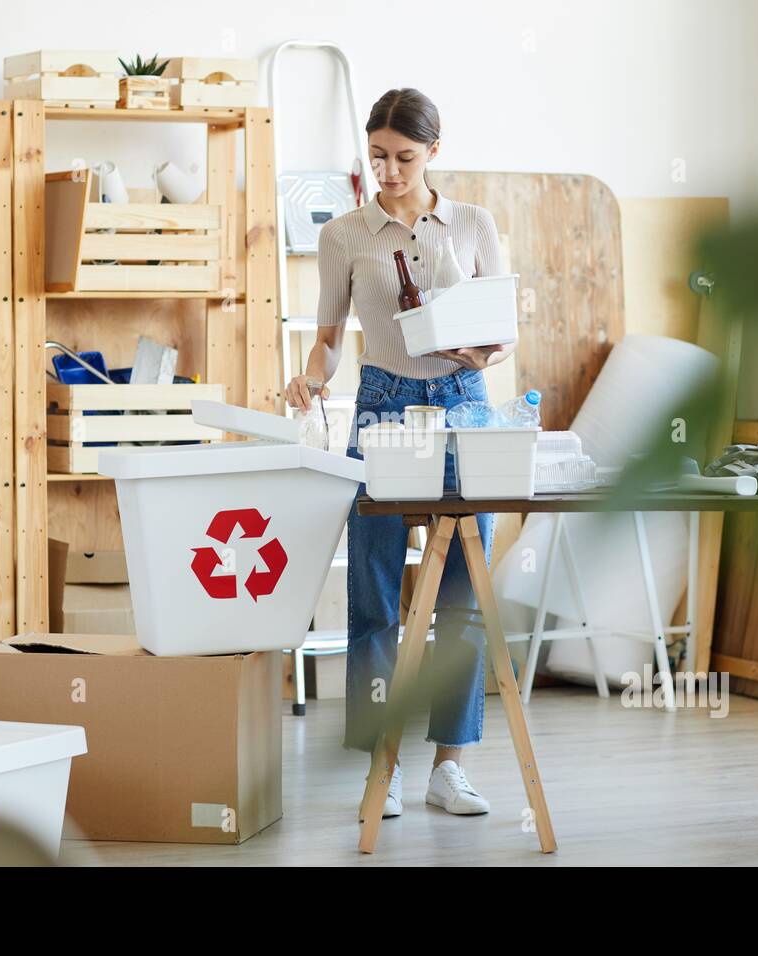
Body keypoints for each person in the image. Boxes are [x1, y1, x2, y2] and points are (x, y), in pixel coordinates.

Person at [286, 88, 515, 820]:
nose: (388, 171)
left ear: (433, 153)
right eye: (378, 156)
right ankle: (379, 770)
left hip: (464, 407)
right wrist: (309, 376)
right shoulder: (345, 235)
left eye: (404, 158)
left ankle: (450, 768)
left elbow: (501, 336)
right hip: (382, 404)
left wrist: (479, 351)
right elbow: (327, 340)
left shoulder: (474, 225)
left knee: (462, 594)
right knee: (375, 594)